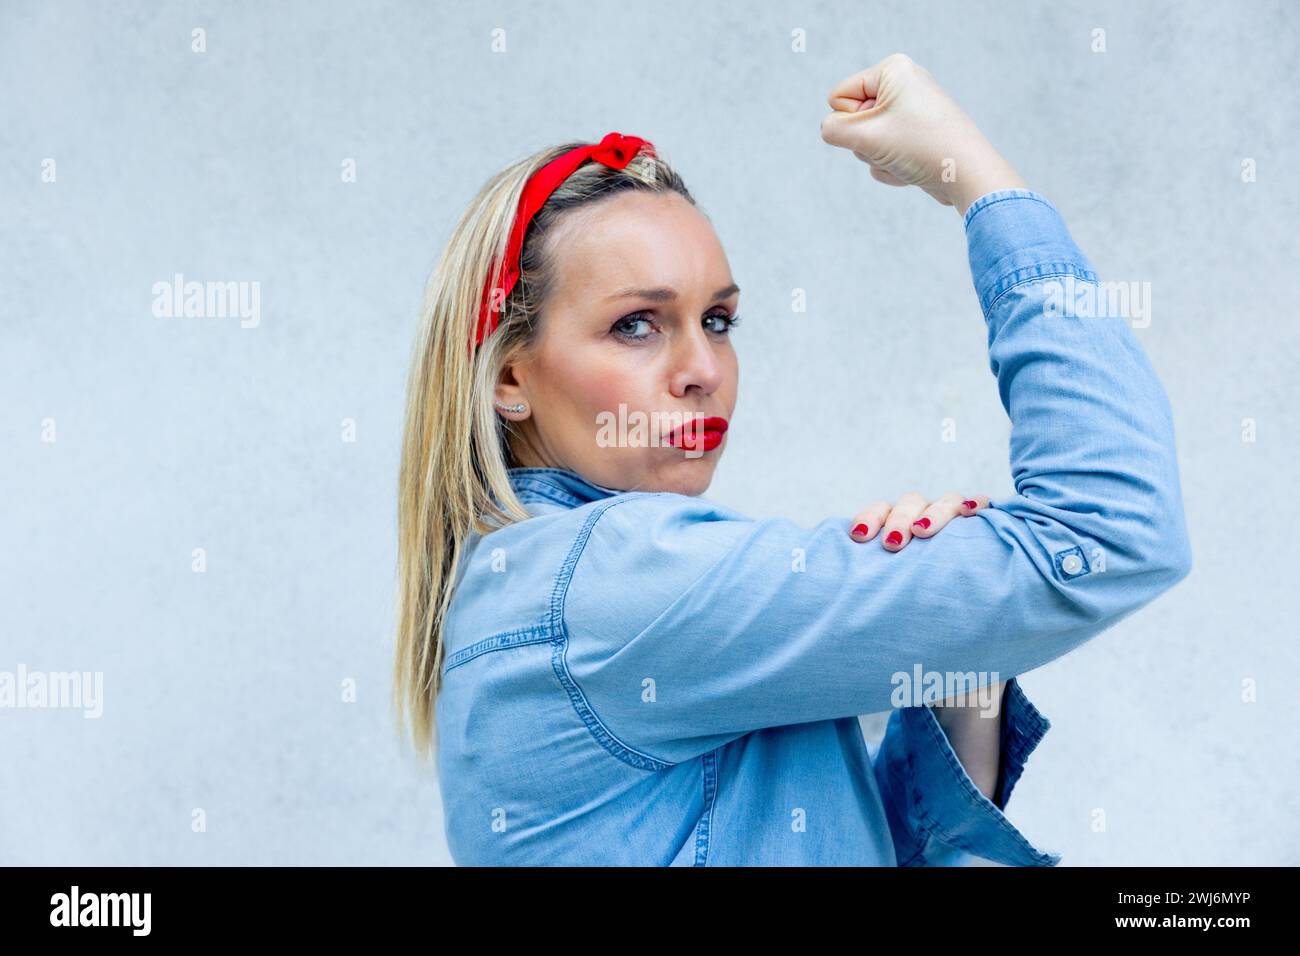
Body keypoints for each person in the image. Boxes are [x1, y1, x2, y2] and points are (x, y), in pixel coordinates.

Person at [393, 53, 1193, 865]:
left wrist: (957, 658)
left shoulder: (527, 590)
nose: (702, 369)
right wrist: (980, 179)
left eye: (718, 321)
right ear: (508, 378)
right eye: (636, 324)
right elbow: (1115, 528)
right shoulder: (615, 582)